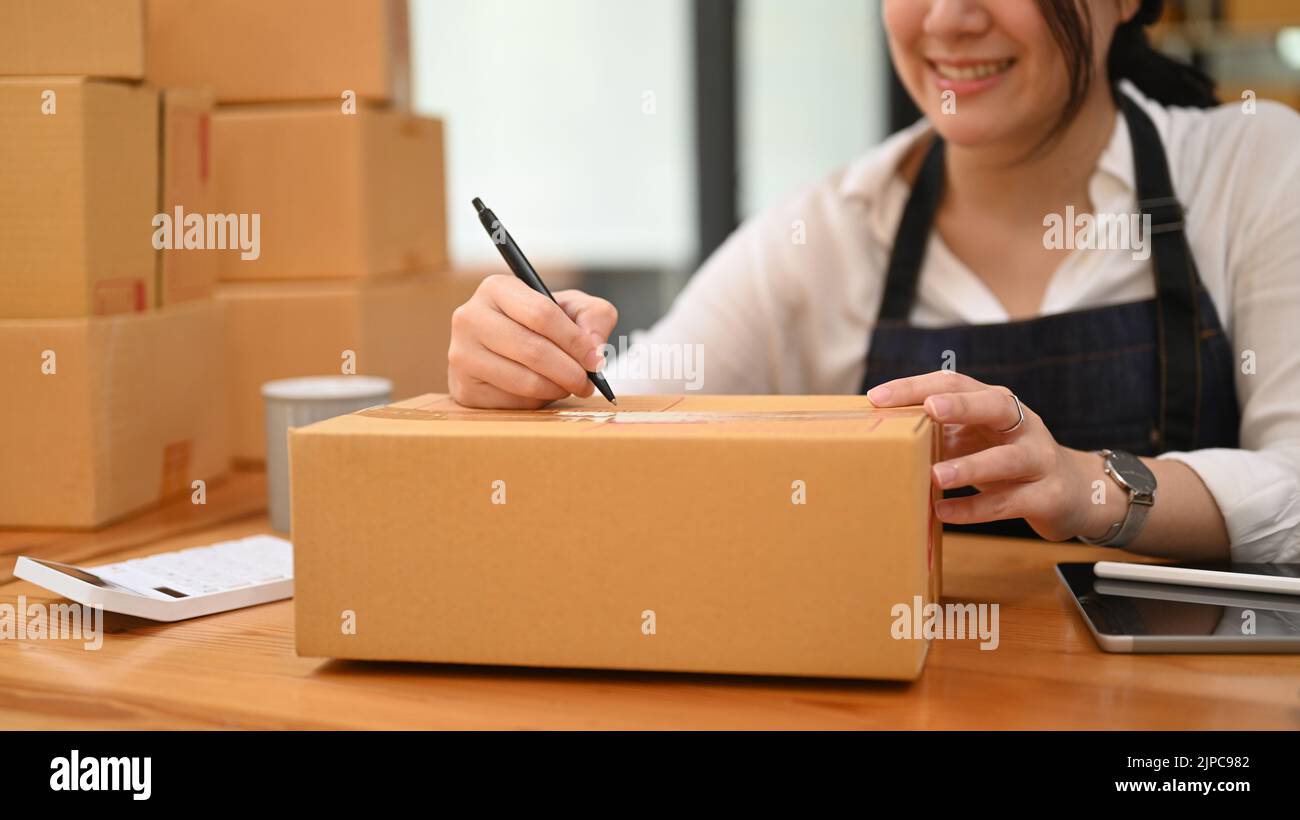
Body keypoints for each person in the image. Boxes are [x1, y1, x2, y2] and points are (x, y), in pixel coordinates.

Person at [446, 0, 1300, 563]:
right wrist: (521, 380)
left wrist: (1087, 487)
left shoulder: (1252, 171)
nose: (948, 18)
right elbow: (617, 420)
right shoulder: (826, 231)